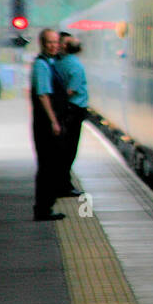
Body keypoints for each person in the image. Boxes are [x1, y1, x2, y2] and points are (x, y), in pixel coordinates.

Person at [31, 29, 66, 221]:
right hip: (46, 125)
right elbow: (43, 95)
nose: (54, 46)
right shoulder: (42, 65)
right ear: (43, 44)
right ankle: (43, 209)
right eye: (50, 43)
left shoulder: (49, 63)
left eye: (56, 42)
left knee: (50, 165)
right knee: (47, 166)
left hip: (49, 123)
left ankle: (46, 207)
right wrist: (53, 121)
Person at [55, 32, 89, 197]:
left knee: (64, 149)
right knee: (69, 149)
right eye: (70, 41)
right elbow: (71, 90)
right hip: (74, 110)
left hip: (67, 110)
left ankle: (63, 183)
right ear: (63, 45)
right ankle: (64, 185)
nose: (76, 42)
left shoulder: (59, 63)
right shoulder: (73, 64)